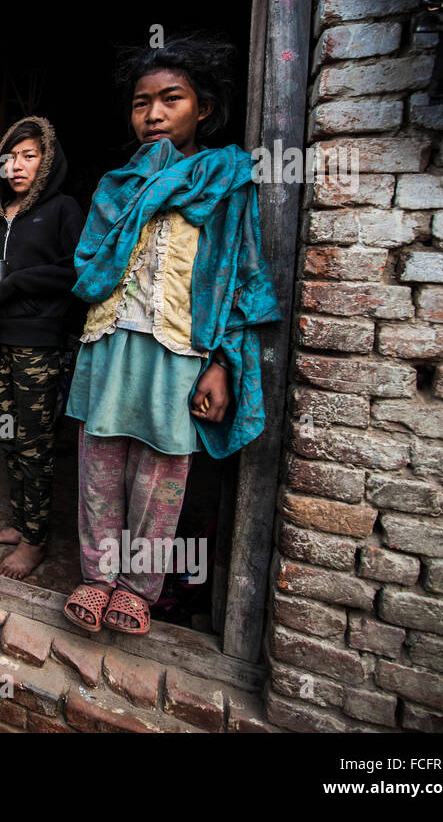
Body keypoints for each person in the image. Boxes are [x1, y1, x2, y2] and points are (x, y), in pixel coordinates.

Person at [62, 35, 281, 635]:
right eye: (140, 103)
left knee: (162, 478)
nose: (153, 114)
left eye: (171, 99)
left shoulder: (226, 180)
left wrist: (223, 364)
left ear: (202, 108)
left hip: (182, 350)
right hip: (108, 341)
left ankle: (138, 587)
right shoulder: (116, 185)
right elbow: (91, 265)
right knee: (99, 467)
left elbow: (240, 276)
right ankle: (97, 576)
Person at [0, 116, 85, 580]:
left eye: (29, 156)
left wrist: (10, 282)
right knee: (9, 436)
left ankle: (35, 540)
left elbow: (75, 274)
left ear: (47, 162)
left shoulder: (62, 211)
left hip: (36, 343)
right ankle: (21, 522)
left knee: (35, 442)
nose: (16, 166)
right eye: (9, 158)